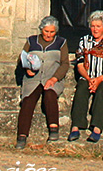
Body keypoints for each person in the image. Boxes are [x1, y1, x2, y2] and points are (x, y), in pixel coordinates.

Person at [68, 10, 103, 143]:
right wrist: (89, 79)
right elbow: (80, 64)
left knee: (102, 90)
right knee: (81, 89)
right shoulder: (84, 41)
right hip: (88, 76)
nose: (95, 29)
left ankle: (96, 128)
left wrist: (98, 79)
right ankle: (76, 125)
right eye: (93, 26)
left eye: (98, 26)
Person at [16, 15, 69, 149]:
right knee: (28, 100)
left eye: (52, 32)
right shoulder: (31, 41)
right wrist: (27, 68)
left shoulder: (61, 42)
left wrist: (54, 78)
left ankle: (53, 128)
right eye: (46, 31)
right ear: (41, 30)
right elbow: (22, 58)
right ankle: (22, 136)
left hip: (52, 77)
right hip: (33, 79)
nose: (49, 35)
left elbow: (64, 64)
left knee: (50, 95)